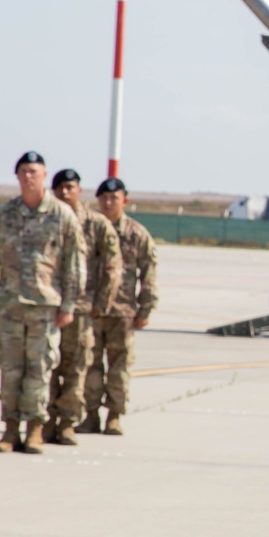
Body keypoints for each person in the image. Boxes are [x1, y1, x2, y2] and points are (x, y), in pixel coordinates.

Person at [0, 153, 84, 454]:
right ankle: (10, 429)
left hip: (45, 306)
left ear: (45, 175)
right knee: (11, 369)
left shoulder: (62, 215)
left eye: (34, 172)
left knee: (39, 369)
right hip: (9, 305)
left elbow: (75, 263)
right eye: (23, 171)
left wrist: (69, 305)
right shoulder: (6, 215)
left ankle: (35, 429)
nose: (28, 177)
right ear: (17, 176)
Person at [78, 178, 158, 436]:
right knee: (90, 366)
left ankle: (114, 416)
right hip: (91, 310)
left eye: (114, 198)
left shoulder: (137, 233)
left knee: (119, 369)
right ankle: (90, 414)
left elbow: (149, 272)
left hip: (123, 312)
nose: (109, 203)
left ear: (125, 200)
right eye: (104, 198)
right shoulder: (87, 229)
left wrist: (145, 308)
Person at [45, 169, 117, 446]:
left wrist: (101, 304)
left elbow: (113, 266)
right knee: (48, 366)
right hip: (49, 307)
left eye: (70, 187)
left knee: (77, 369)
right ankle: (47, 420)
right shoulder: (46, 221)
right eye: (60, 187)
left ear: (79, 190)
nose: (65, 192)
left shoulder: (97, 224)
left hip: (82, 311)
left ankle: (66, 423)